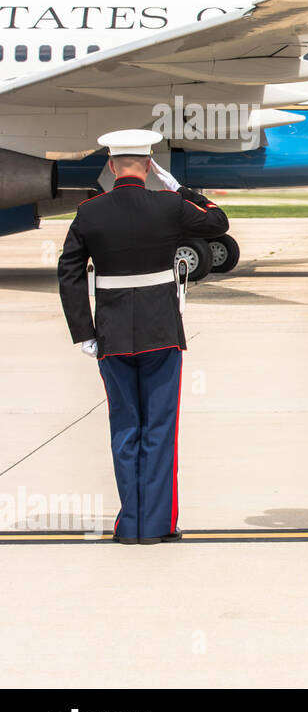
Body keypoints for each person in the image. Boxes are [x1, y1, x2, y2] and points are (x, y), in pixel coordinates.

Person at [57, 129, 229, 544]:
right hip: (161, 332)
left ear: (112, 166)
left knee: (125, 428)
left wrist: (83, 332)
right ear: (150, 165)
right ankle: (155, 525)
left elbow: (69, 273)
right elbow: (218, 221)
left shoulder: (90, 211)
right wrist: (179, 187)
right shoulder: (169, 205)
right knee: (159, 429)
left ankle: (129, 523)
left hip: (112, 336)